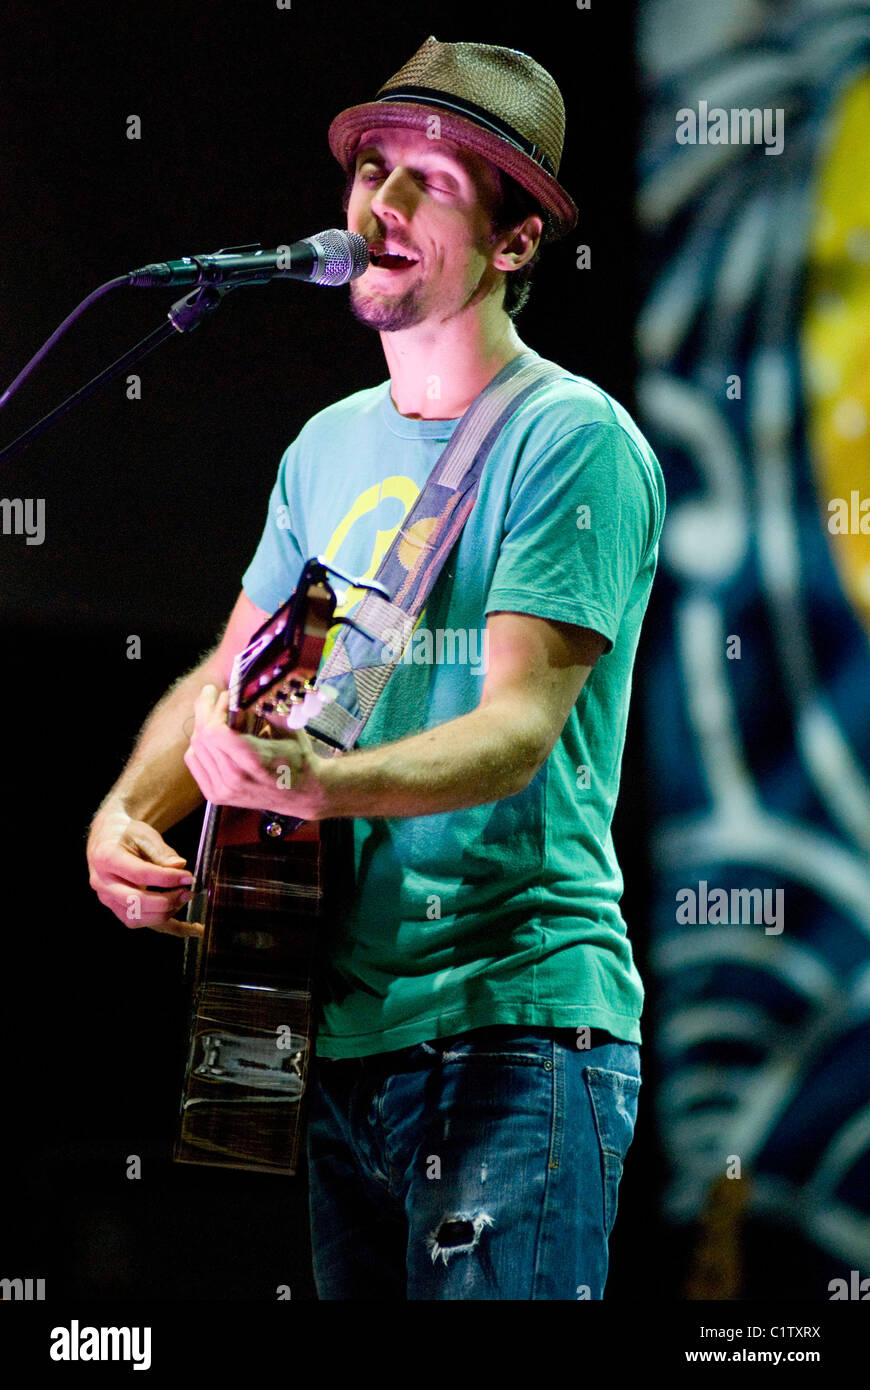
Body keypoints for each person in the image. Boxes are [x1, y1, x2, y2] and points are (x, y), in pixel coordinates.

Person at [87, 36, 666, 1301]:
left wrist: (313, 784)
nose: (381, 205)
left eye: (435, 182)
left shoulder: (572, 442)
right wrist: (131, 808)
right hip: (333, 1037)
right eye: (374, 170)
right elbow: (227, 673)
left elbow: (517, 728)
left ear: (515, 243)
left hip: (514, 1032)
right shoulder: (324, 446)